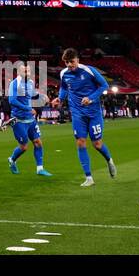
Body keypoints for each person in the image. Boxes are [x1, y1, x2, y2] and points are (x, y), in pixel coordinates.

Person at [50, 48, 116, 187]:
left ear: (78, 60)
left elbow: (104, 85)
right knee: (80, 142)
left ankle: (109, 160)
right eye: (67, 62)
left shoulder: (89, 70)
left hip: (93, 113)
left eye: (71, 62)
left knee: (97, 144)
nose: (69, 65)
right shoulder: (64, 74)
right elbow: (64, 87)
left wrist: (91, 98)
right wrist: (60, 99)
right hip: (77, 113)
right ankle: (89, 177)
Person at [6, 64, 52, 177]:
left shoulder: (30, 83)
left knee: (38, 142)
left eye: (28, 70)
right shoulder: (14, 83)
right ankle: (12, 160)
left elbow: (32, 95)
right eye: (24, 69)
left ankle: (40, 169)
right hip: (19, 120)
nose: (27, 71)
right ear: (18, 72)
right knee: (24, 147)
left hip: (30, 120)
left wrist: (43, 96)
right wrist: (28, 108)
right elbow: (12, 100)